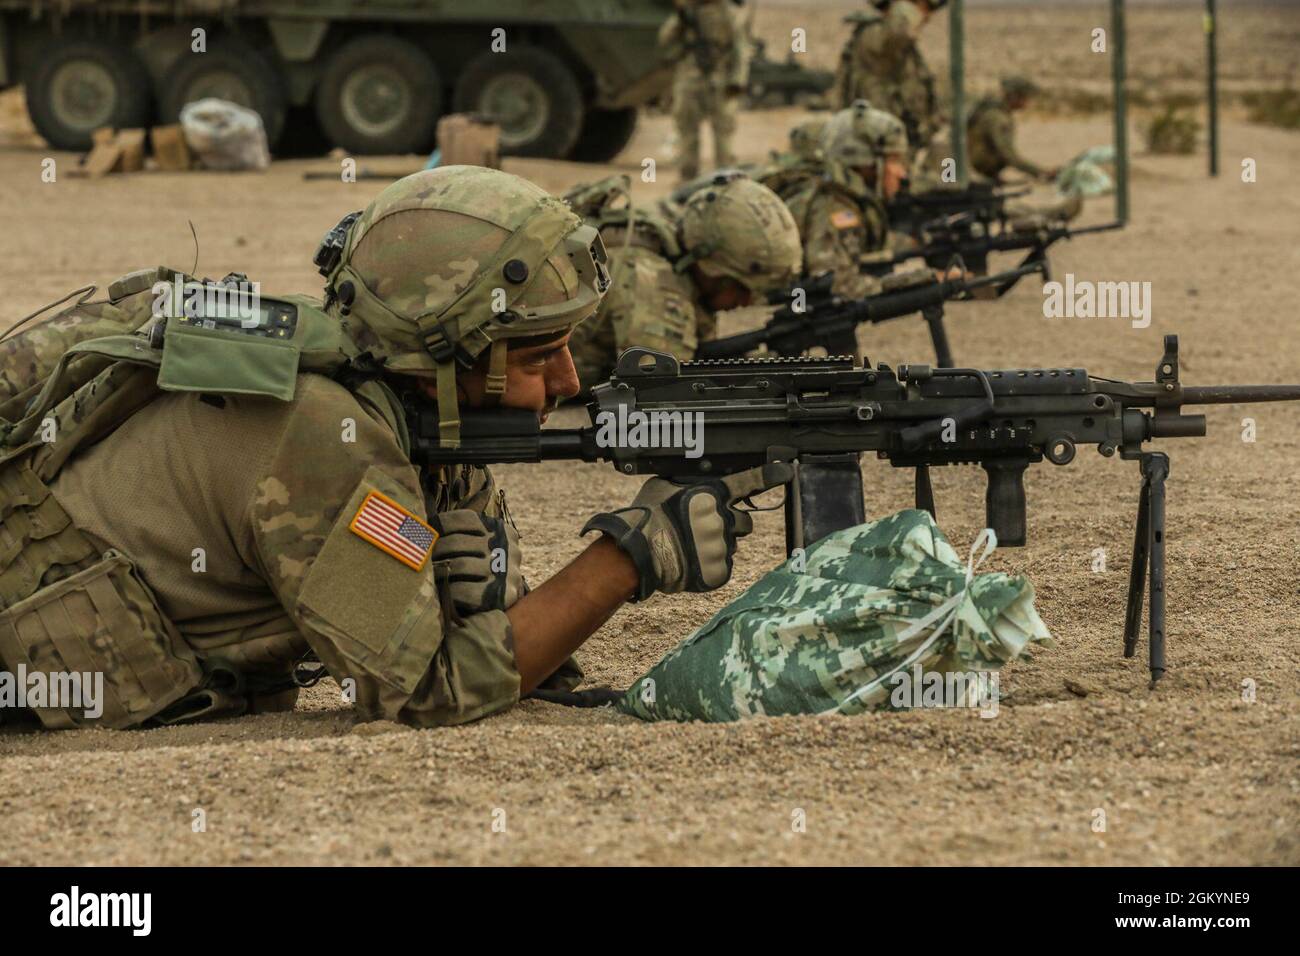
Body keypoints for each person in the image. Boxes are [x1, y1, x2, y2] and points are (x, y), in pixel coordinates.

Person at [0, 165, 790, 730]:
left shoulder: (409, 405)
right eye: (535, 354)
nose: (568, 381)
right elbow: (425, 692)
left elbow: (502, 649)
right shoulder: (318, 429)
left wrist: (484, 594)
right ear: (445, 355)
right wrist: (626, 560)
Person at [565, 172, 802, 390]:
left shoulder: (672, 244)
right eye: (740, 288)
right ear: (710, 267)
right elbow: (661, 396)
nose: (748, 301)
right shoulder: (656, 285)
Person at [757, 100, 910, 299]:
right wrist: (920, 283)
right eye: (894, 161)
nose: (902, 174)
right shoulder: (834, 206)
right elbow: (837, 284)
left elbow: (858, 247)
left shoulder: (849, 198)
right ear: (867, 163)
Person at [834, 0, 946, 157]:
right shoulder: (874, 36)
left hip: (895, 147)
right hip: (877, 152)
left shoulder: (899, 47)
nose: (927, 16)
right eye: (924, 7)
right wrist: (905, 9)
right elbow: (898, 33)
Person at [659, 0, 750, 182]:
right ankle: (687, 178)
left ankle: (726, 181)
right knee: (687, 131)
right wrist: (680, 22)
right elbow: (665, 40)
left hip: (720, 80)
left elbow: (740, 49)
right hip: (690, 79)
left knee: (723, 133)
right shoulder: (688, 13)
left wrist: (737, 81)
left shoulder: (728, 13)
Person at [967, 76, 1059, 184]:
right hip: (978, 171)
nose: (1028, 102)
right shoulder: (998, 118)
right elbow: (1008, 156)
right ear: (1014, 96)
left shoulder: (994, 112)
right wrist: (1041, 173)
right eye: (1026, 98)